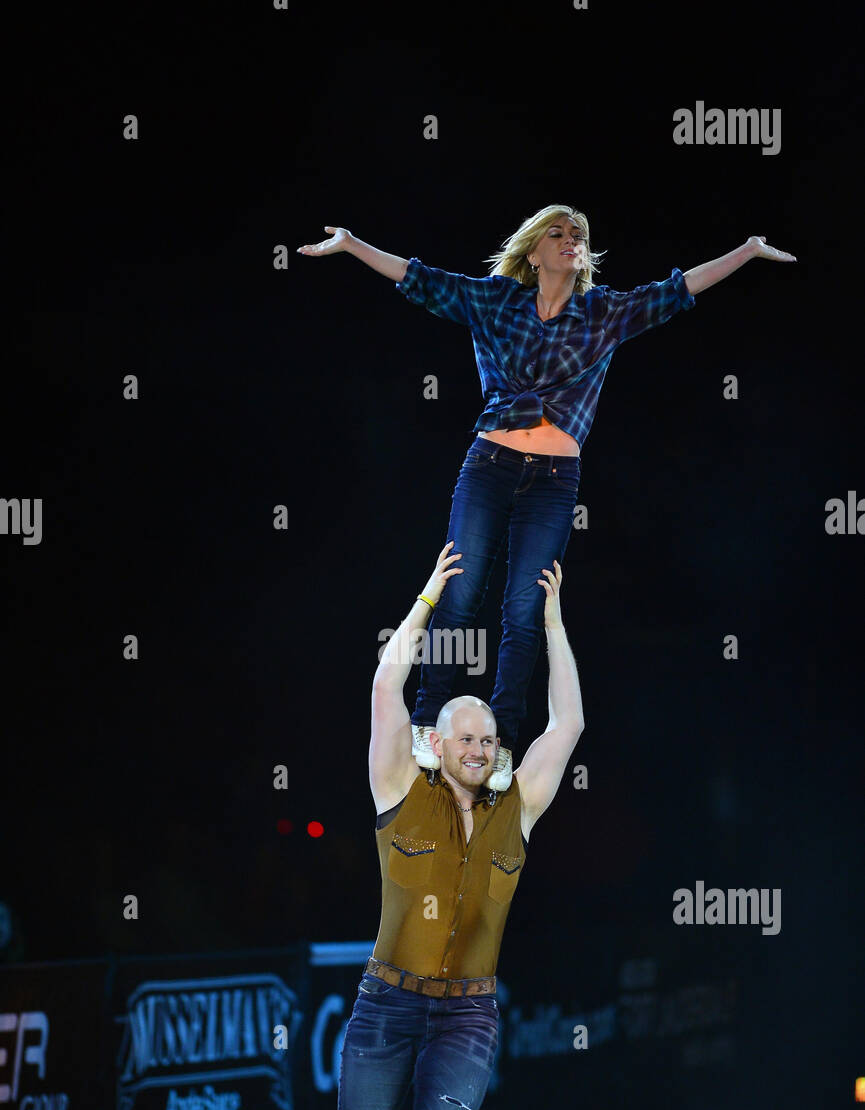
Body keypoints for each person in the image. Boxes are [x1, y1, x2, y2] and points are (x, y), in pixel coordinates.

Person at [297, 208, 795, 791]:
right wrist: (353, 243)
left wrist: (746, 248)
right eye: (558, 233)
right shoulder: (495, 301)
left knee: (525, 607)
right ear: (534, 251)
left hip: (555, 480)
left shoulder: (604, 312)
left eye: (579, 235)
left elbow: (677, 291)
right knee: (459, 590)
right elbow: (420, 280)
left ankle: (501, 737)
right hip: (489, 465)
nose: (571, 241)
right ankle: (430, 722)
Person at [297, 541, 584, 1110]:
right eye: (467, 736)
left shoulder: (516, 809)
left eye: (488, 739)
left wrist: (552, 625)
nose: (481, 745)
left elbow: (568, 726)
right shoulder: (396, 784)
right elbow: (387, 686)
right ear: (437, 744)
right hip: (385, 1006)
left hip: (468, 1016)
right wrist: (427, 596)